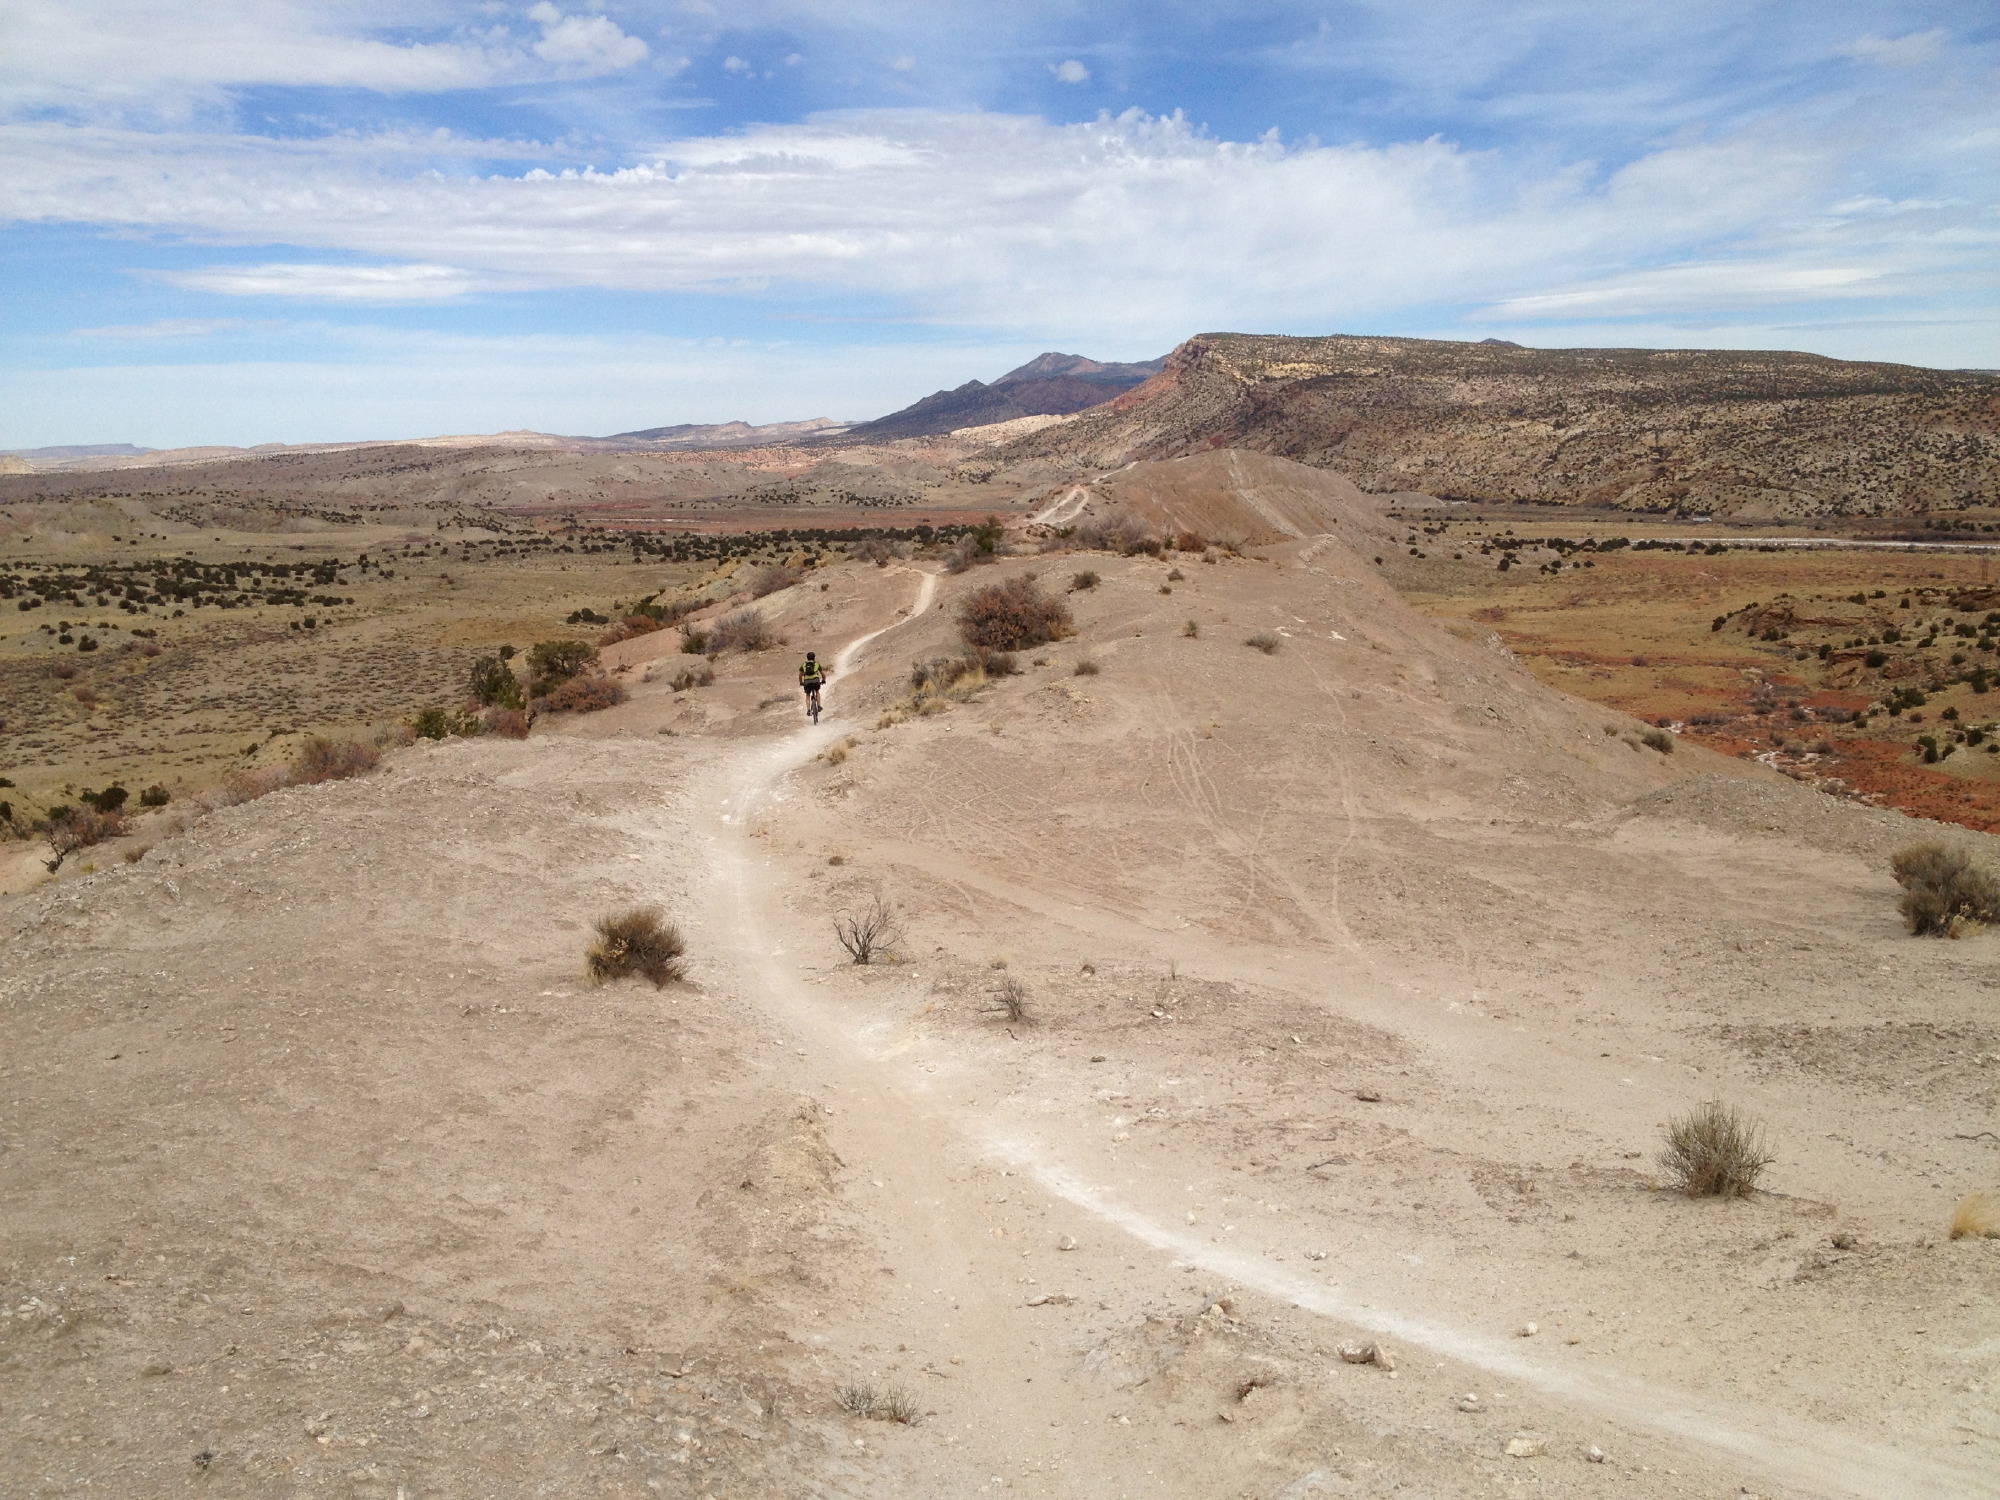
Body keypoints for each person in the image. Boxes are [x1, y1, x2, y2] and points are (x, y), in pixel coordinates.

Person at [799, 651, 828, 717]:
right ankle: (819, 706)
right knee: (817, 691)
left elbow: (800, 675)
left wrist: (801, 682)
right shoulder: (817, 664)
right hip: (816, 681)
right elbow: (823, 674)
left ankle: (808, 710)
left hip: (807, 682)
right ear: (814, 658)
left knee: (808, 695)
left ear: (807, 658)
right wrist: (823, 680)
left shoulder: (804, 665)